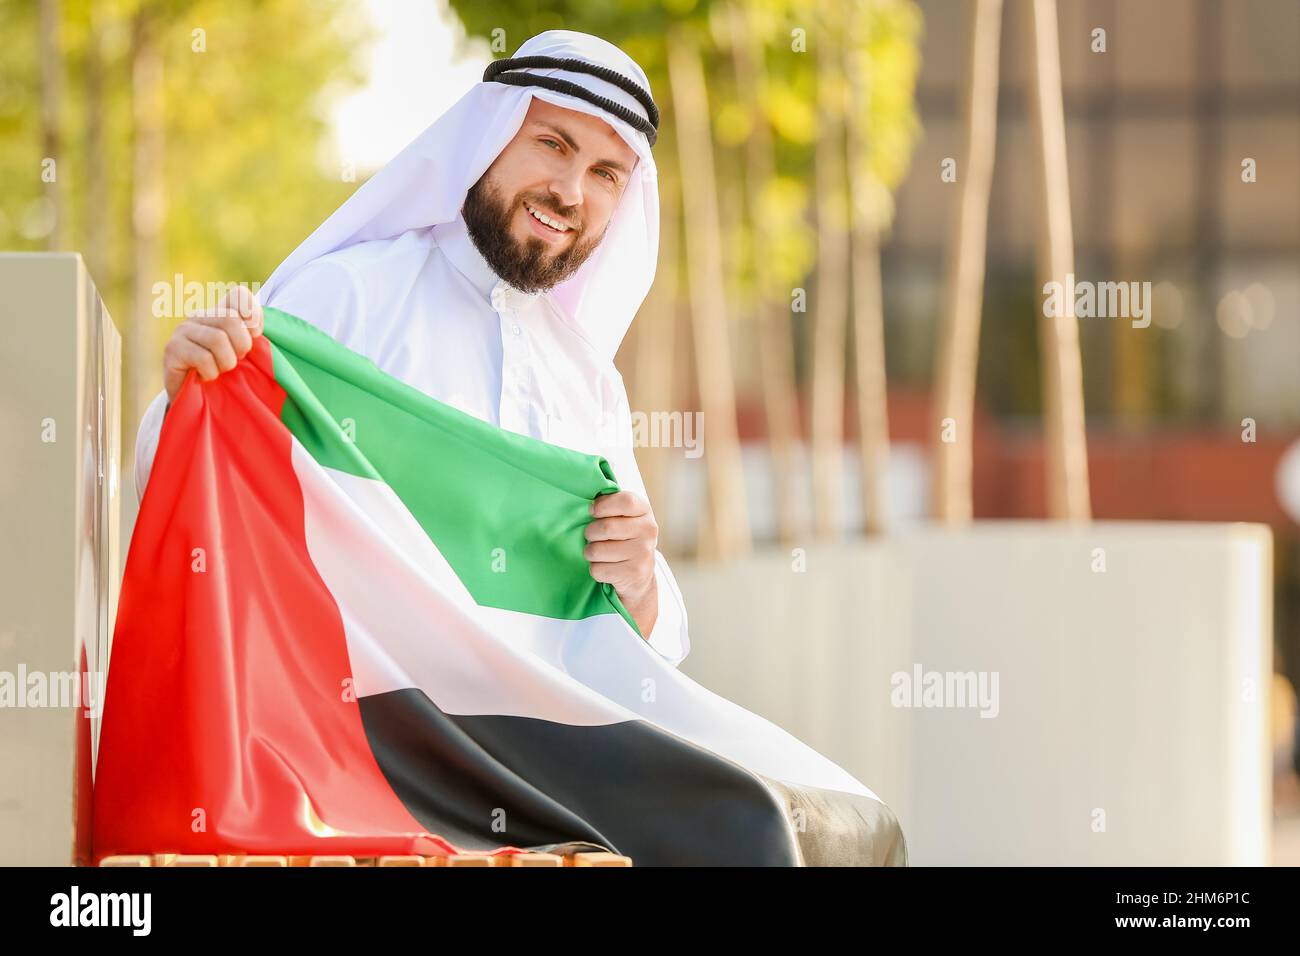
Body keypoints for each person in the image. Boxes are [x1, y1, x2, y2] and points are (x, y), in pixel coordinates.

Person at [132, 29, 689, 666]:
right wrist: (188, 402)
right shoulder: (349, 296)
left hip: (523, 761)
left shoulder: (588, 383)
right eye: (551, 143)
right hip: (347, 740)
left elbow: (655, 640)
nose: (569, 190)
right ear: (490, 136)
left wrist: (641, 582)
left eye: (604, 174)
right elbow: (200, 494)